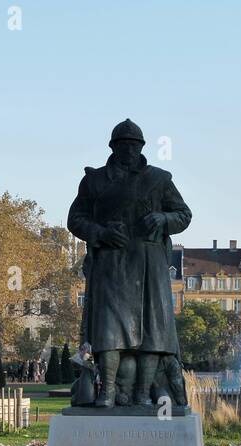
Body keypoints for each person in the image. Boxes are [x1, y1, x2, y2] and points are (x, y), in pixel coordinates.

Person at [67, 119, 192, 408]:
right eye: (123, 145)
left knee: (153, 334)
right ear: (112, 147)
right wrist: (101, 233)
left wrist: (163, 219)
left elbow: (183, 215)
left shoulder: (159, 179)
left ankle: (142, 393)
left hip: (150, 267)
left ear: (142, 147)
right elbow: (76, 219)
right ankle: (107, 392)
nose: (129, 150)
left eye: (134, 145)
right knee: (109, 332)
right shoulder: (94, 181)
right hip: (112, 265)